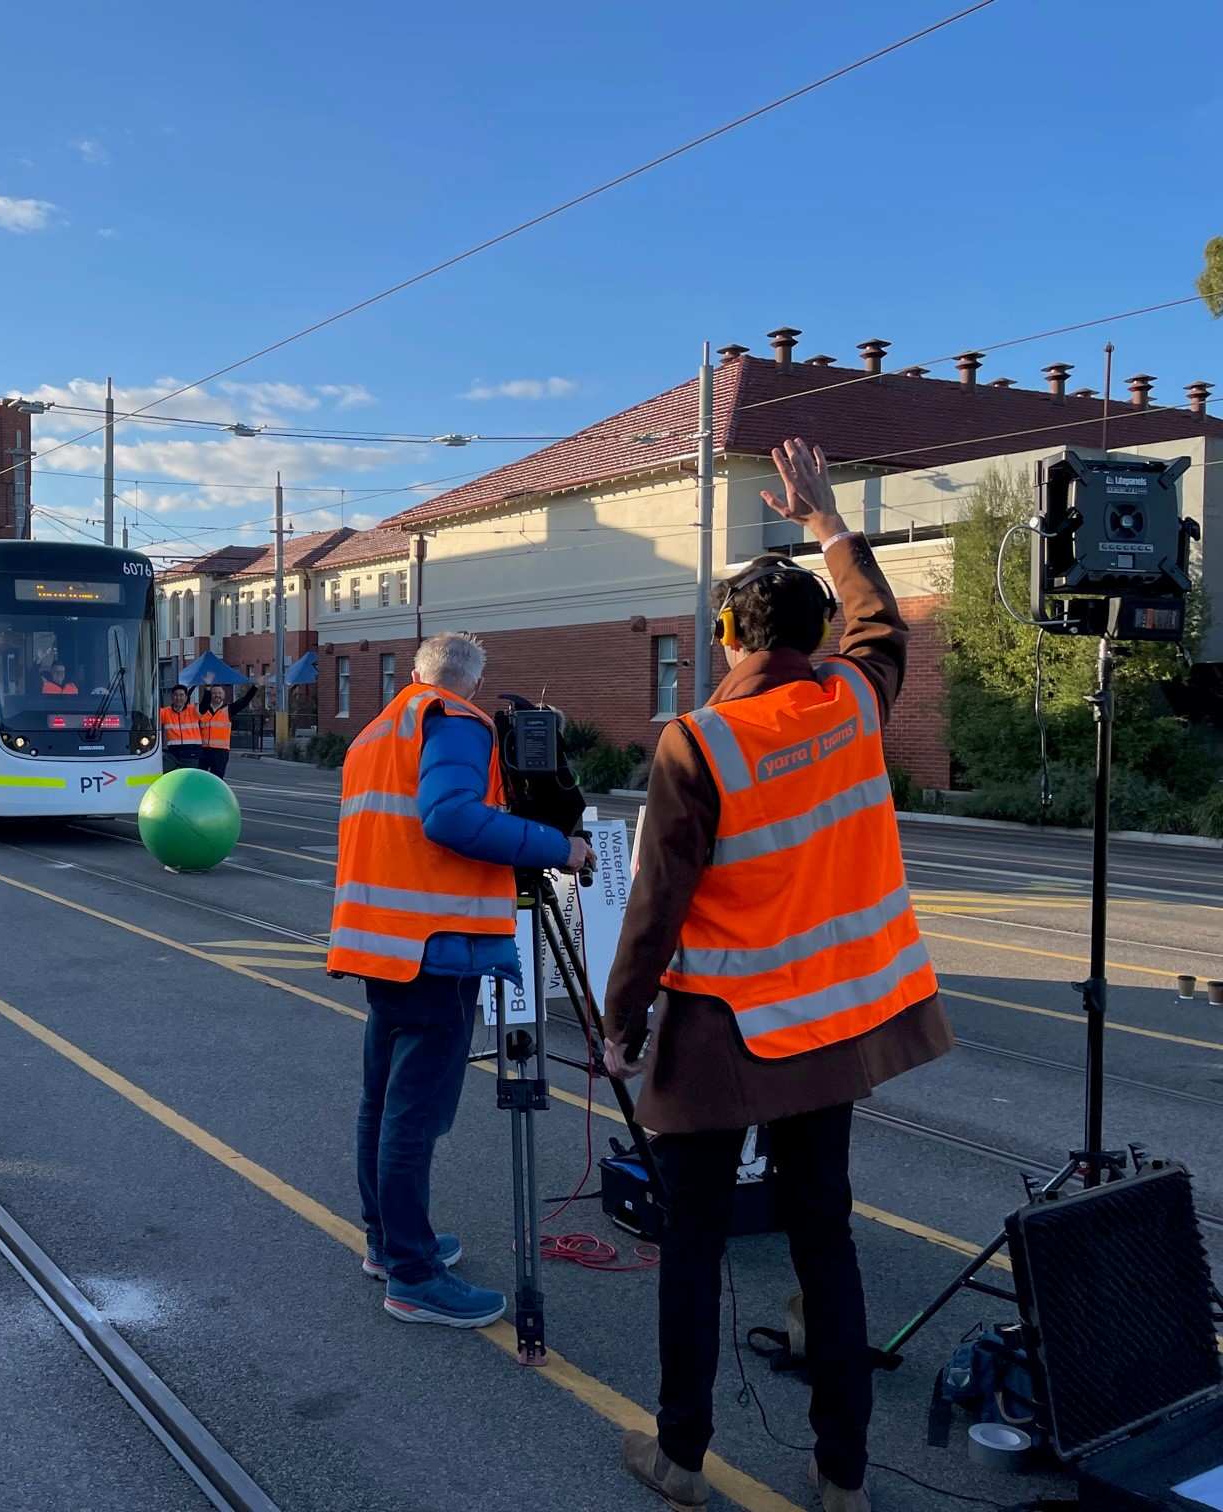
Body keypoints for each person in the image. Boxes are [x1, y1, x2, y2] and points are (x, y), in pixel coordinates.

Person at [603, 439, 953, 1512]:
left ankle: (681, 1456)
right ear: (816, 638)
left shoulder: (698, 743)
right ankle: (842, 1476)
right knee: (823, 1238)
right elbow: (882, 624)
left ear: (726, 638)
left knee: (693, 1242)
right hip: (830, 1031)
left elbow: (657, 903)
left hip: (722, 1031)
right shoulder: (853, 702)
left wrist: (621, 1020)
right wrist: (827, 524)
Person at [327, 631, 593, 1328]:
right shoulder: (454, 720)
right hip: (435, 948)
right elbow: (449, 818)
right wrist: (556, 846)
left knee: (382, 1104)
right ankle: (413, 1274)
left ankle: (389, 1244)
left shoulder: (377, 733)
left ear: (418, 674)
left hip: (383, 943)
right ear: (472, 683)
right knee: (413, 1115)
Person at [195, 680, 258, 779]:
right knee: (200, 778)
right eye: (214, 693)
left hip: (221, 751)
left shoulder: (228, 709)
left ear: (224, 695)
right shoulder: (203, 710)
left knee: (217, 779)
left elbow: (245, 701)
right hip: (203, 750)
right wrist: (207, 686)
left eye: (219, 693)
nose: (217, 695)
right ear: (210, 695)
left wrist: (255, 686)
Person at [158, 683, 202, 772]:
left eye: (181, 695)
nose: (178, 698)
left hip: (191, 752)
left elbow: (205, 705)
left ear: (186, 697)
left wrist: (207, 688)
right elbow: (151, 716)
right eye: (176, 695)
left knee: (189, 777)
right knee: (162, 773)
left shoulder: (193, 710)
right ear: (172, 697)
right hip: (173, 753)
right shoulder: (165, 712)